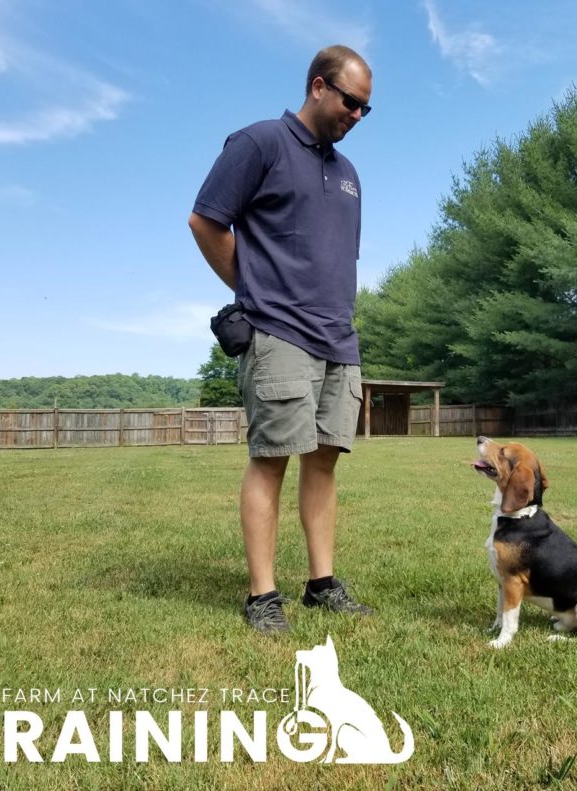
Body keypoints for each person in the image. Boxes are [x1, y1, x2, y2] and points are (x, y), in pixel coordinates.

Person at [188, 45, 373, 634]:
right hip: (279, 334)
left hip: (338, 339)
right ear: (319, 86)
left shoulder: (348, 176)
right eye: (351, 102)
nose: (358, 116)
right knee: (270, 461)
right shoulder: (259, 143)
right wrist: (254, 289)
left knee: (324, 465)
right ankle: (262, 596)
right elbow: (206, 220)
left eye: (368, 109)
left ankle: (321, 584)